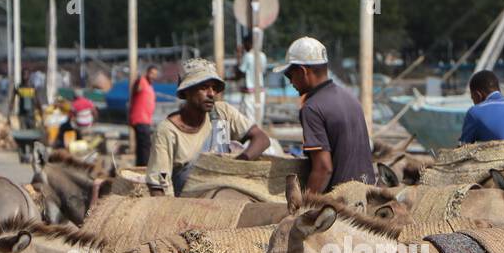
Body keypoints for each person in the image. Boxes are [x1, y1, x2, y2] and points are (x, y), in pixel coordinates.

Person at [147, 57, 269, 195]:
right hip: (188, 206)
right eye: (204, 87)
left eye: (214, 88)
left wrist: (236, 165)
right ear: (187, 91)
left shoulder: (222, 112)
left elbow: (261, 138)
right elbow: (157, 187)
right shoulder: (167, 132)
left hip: (224, 196)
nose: (211, 93)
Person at [274, 37, 375, 193]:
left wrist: (304, 207)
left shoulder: (311, 108)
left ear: (302, 71)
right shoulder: (349, 97)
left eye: (290, 75)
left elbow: (323, 169)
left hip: (342, 203)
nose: (290, 82)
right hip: (369, 194)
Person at [129, 64, 159, 168]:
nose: (153, 76)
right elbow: (137, 87)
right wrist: (138, 78)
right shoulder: (142, 81)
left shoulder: (150, 86)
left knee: (142, 146)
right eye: (151, 73)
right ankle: (144, 167)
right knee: (145, 145)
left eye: (155, 74)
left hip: (146, 120)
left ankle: (140, 166)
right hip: (140, 119)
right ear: (147, 73)